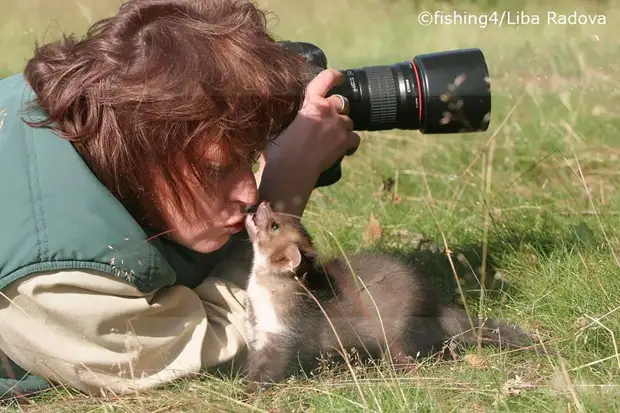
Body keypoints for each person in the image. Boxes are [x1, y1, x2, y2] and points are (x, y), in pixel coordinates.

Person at [0, 0, 360, 398]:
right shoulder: (56, 277)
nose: (249, 192)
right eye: (215, 169)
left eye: (250, 158)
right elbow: (207, 345)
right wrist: (286, 190)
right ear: (138, 153)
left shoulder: (64, 101)